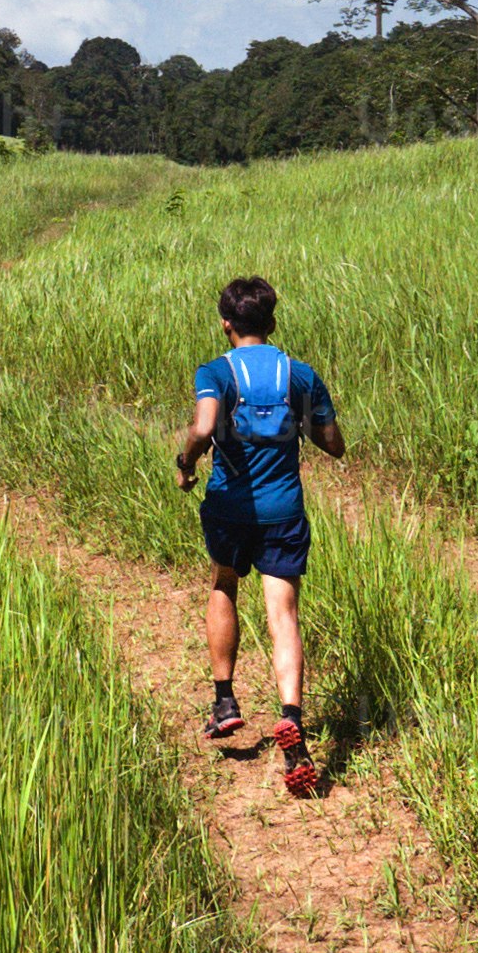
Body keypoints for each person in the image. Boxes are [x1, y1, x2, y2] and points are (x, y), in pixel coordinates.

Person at [173, 271, 343, 778]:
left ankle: (225, 702)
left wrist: (187, 463)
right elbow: (332, 444)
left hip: (230, 508)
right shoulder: (299, 373)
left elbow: (204, 426)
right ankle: (291, 719)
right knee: (283, 613)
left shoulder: (217, 372)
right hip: (283, 509)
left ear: (226, 323)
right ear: (270, 322)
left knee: (225, 584)